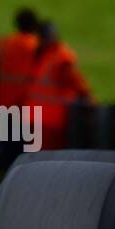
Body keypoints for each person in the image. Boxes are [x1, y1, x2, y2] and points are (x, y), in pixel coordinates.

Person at [27, 22, 94, 150]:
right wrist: (90, 100)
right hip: (49, 120)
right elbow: (77, 83)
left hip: (41, 119)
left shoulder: (46, 56)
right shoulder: (57, 56)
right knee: (47, 158)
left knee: (39, 158)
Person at [0, 8, 39, 108]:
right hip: (27, 105)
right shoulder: (37, 46)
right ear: (34, 25)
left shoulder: (3, 44)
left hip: (3, 103)